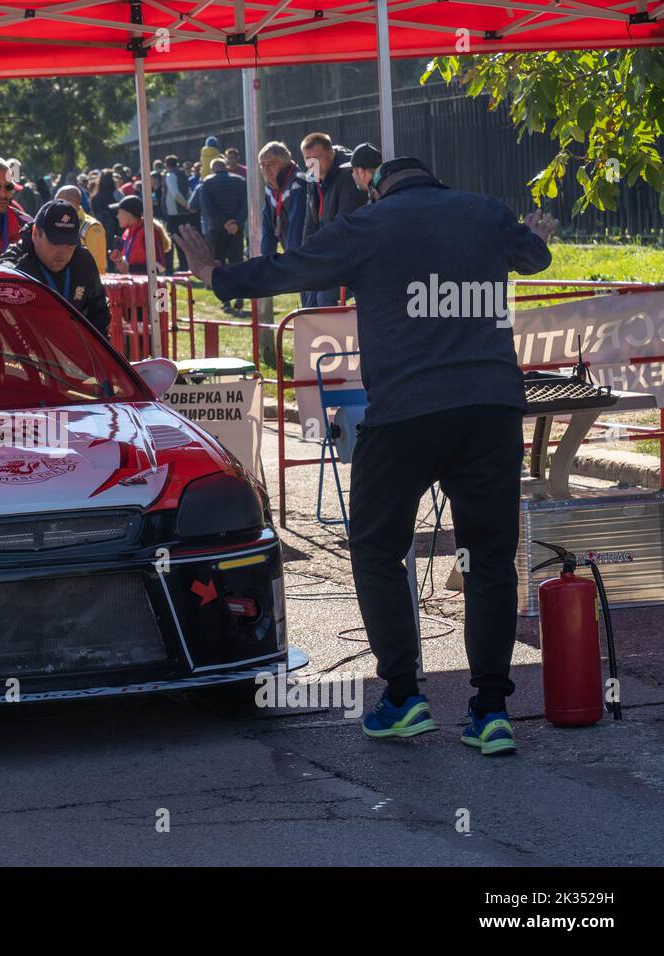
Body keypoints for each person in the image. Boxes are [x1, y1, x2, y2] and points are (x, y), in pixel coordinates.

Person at [176, 157, 559, 756]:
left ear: (380, 189)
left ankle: (405, 698)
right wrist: (533, 238)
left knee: (378, 551)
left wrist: (214, 275)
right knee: (489, 559)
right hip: (489, 409)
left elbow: (286, 269)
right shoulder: (485, 214)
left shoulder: (371, 224)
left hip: (405, 412)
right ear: (435, 180)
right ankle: (490, 711)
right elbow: (533, 257)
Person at [0, 199, 111, 338]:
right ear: (35, 234)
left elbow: (99, 313)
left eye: (70, 243)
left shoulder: (83, 260)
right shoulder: (15, 267)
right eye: (55, 242)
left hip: (76, 352)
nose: (62, 252)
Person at [299, 132, 370, 307]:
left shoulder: (347, 175)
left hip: (349, 254)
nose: (311, 164)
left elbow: (344, 222)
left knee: (325, 298)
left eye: (316, 158)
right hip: (326, 252)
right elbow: (311, 220)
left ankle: (326, 333)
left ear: (331, 154)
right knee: (307, 290)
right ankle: (313, 333)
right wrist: (306, 254)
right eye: (308, 160)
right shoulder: (313, 175)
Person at [190, 158, 248, 314]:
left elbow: (208, 208)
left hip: (217, 229)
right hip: (236, 228)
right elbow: (245, 204)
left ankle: (226, 300)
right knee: (237, 262)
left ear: (212, 168)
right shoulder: (240, 181)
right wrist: (236, 222)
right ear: (226, 167)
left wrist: (224, 222)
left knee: (219, 264)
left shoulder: (206, 183)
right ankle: (239, 295)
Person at [258, 141, 308, 257]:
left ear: (285, 164)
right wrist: (264, 262)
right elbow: (268, 231)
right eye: (262, 164)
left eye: (271, 163)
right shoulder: (270, 189)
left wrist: (291, 261)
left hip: (305, 256)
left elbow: (297, 225)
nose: (266, 169)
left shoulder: (298, 182)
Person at [109, 194, 169, 276]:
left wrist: (130, 268)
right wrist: (119, 261)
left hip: (149, 286)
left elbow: (160, 266)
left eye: (119, 213)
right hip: (133, 286)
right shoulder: (126, 233)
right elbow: (128, 259)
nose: (117, 216)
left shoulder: (148, 232)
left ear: (128, 215)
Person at [55, 185, 107, 274]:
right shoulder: (56, 222)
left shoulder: (92, 227)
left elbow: (98, 266)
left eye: (57, 203)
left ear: (68, 203)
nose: (54, 206)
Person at [160, 155, 197, 271]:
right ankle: (184, 265)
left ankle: (170, 268)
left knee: (170, 240)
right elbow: (189, 191)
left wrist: (186, 206)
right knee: (184, 240)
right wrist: (189, 206)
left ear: (166, 164)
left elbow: (175, 193)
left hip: (173, 213)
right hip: (184, 213)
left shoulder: (170, 175)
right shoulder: (183, 174)